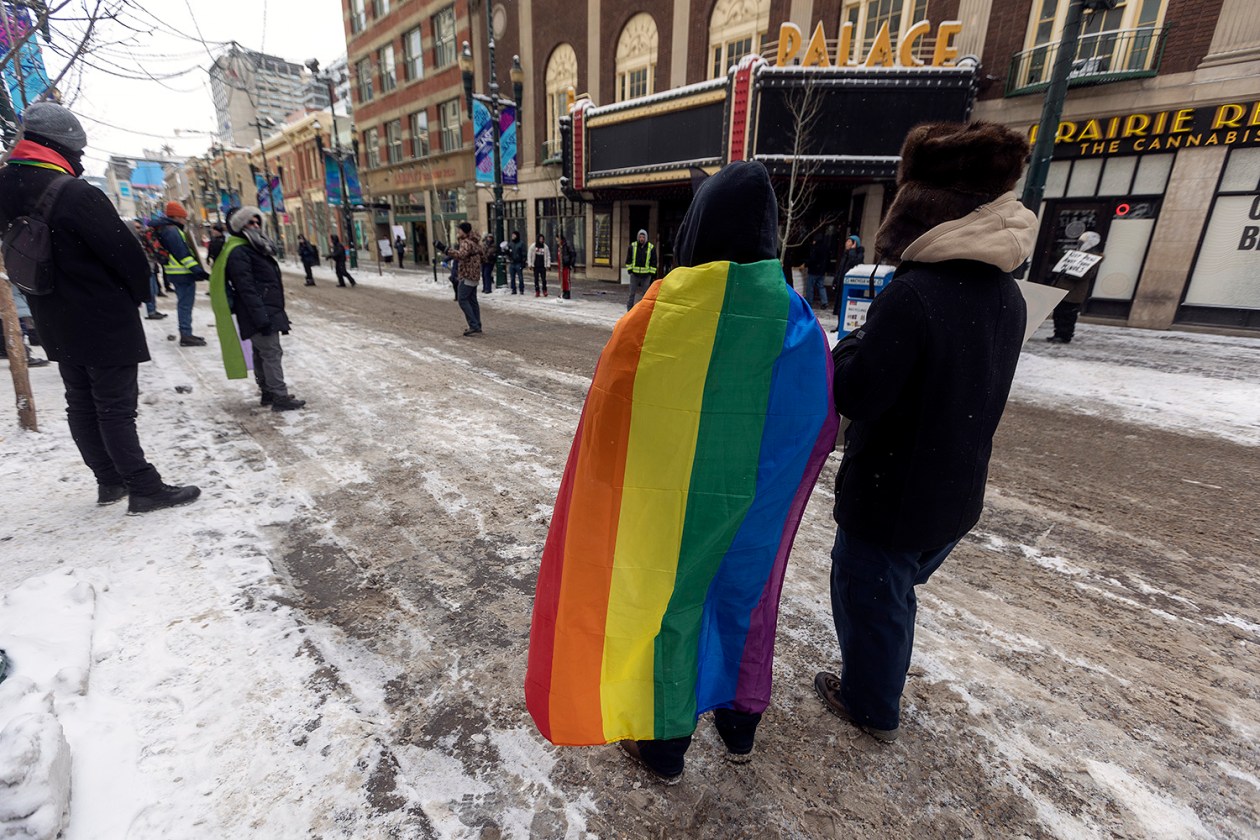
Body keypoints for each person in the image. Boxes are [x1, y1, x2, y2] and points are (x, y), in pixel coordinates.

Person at [526, 161, 836, 785]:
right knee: (747, 596)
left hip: (665, 508)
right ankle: (740, 721)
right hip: (758, 506)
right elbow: (816, 419)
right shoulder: (798, 323)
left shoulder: (652, 322)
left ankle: (667, 745)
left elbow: (609, 433)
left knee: (672, 606)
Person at [814, 121, 1036, 743]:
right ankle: (874, 687)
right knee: (895, 591)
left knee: (873, 601)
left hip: (893, 496)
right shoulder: (1007, 295)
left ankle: (870, 704)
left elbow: (857, 392)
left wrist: (850, 346)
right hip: (954, 493)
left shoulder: (915, 296)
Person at [0, 101, 200, 514]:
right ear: (62, 145)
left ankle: (109, 480)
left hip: (51, 313)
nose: (80, 157)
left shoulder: (6, 186)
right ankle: (143, 486)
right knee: (114, 405)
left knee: (81, 400)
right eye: (77, 149)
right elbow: (126, 255)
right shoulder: (74, 192)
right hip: (100, 315)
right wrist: (134, 294)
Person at [220, 207, 305, 411]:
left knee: (261, 352)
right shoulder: (240, 251)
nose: (255, 226)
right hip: (259, 311)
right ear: (240, 226)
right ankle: (279, 396)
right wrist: (261, 317)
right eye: (250, 223)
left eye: (257, 222)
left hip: (265, 309)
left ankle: (268, 391)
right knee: (271, 352)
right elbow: (246, 288)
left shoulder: (253, 247)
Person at [150, 200, 209, 346]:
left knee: (184, 304)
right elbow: (182, 254)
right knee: (185, 305)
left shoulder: (166, 229)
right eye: (183, 217)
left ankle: (186, 333)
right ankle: (186, 334)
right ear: (176, 217)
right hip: (182, 274)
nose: (184, 220)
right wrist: (198, 271)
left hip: (176, 273)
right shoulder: (172, 231)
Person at [1046, 231, 1103, 344]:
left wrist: (1071, 274)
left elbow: (1088, 274)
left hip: (1074, 292)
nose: (1080, 244)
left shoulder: (1092, 257)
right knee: (1059, 313)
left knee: (1068, 314)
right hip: (1064, 288)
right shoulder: (1076, 254)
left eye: (1082, 242)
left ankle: (1065, 335)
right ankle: (1058, 333)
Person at [447, 222, 484, 335]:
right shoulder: (475, 242)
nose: (458, 232)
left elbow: (461, 255)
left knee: (462, 299)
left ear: (464, 231)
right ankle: (477, 324)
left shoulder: (466, 242)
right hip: (474, 274)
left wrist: (446, 250)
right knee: (472, 301)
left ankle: (473, 325)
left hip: (467, 274)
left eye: (459, 230)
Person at [130, 219, 168, 321]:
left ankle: (153, 309)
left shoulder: (144, 238)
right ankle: (150, 311)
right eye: (136, 227)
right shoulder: (133, 240)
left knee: (154, 290)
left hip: (150, 268)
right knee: (150, 291)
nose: (139, 230)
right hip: (144, 270)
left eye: (139, 227)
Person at [830, 235, 866, 329]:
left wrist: (852, 251)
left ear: (855, 243)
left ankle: (844, 325)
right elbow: (840, 269)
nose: (847, 243)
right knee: (839, 306)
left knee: (846, 305)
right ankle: (839, 325)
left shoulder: (858, 254)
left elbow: (854, 262)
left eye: (849, 241)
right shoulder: (846, 254)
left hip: (849, 286)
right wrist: (836, 280)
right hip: (841, 283)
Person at [624, 229, 656, 310]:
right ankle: (629, 310)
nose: (642, 239)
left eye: (643, 237)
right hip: (634, 274)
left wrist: (651, 274)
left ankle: (643, 310)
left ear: (646, 238)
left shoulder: (651, 247)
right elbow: (628, 259)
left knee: (645, 294)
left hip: (646, 275)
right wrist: (630, 270)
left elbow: (654, 261)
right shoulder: (632, 246)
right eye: (640, 237)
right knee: (632, 293)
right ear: (638, 237)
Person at [805, 233, 829, 308]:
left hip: (813, 270)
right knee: (821, 286)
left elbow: (813, 259)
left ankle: (809, 302)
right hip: (821, 271)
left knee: (810, 287)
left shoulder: (815, 248)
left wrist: (806, 264)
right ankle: (824, 302)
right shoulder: (825, 247)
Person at [558, 235, 576, 300]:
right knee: (562, 279)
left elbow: (573, 254)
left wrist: (571, 264)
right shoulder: (560, 246)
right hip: (561, 266)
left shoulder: (566, 245)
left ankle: (567, 292)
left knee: (566, 279)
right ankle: (563, 291)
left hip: (566, 265)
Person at [508, 231, 527, 295]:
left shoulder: (521, 243)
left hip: (518, 263)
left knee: (520, 277)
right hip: (512, 262)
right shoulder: (510, 244)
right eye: (512, 235)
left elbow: (524, 253)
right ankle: (513, 289)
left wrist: (523, 262)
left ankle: (521, 289)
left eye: (514, 235)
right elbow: (508, 252)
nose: (513, 236)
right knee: (512, 278)